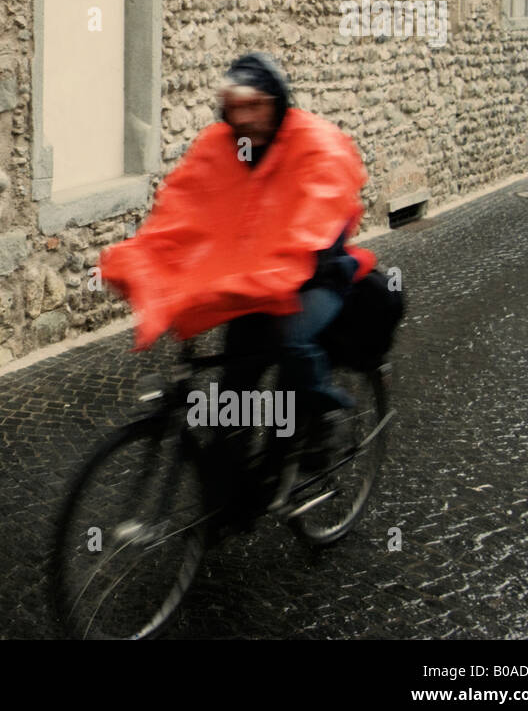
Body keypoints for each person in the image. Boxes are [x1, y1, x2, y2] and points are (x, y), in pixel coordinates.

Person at [98, 52, 376, 512]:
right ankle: (231, 499)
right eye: (234, 107)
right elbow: (180, 209)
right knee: (234, 389)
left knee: (294, 342)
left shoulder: (316, 143)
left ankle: (322, 417)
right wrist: (143, 262)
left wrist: (274, 271)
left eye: (255, 106)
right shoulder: (220, 146)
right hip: (256, 284)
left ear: (278, 104)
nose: (244, 118)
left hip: (317, 275)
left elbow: (314, 218)